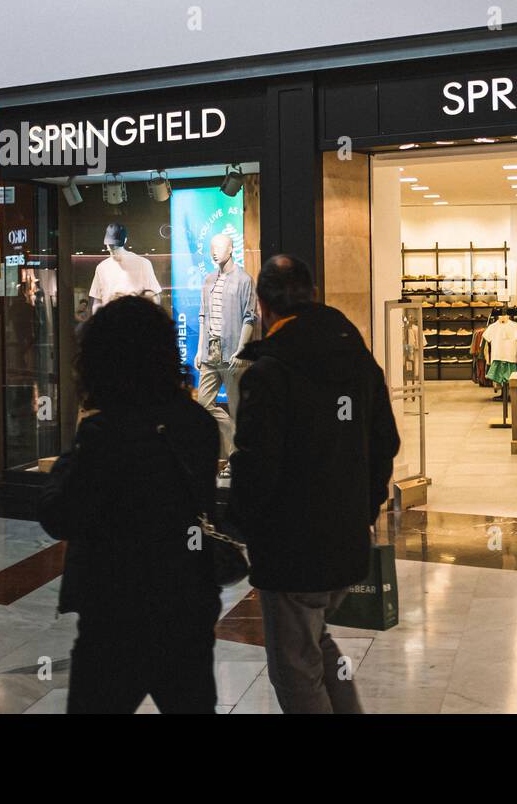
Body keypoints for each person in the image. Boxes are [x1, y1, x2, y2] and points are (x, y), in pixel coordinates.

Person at [229, 255, 400, 713]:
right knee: (314, 642)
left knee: (294, 669)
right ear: (313, 295)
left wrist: (246, 525)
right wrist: (364, 510)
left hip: (292, 552)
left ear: (263, 306)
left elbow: (255, 465)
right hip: (347, 543)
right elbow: (386, 440)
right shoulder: (355, 355)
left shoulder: (269, 372)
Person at [39, 295, 221, 714]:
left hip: (116, 611)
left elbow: (61, 514)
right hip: (187, 602)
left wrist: (71, 457)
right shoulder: (199, 425)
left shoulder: (105, 433)